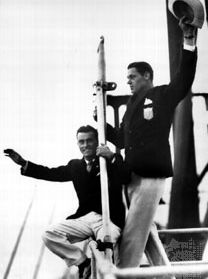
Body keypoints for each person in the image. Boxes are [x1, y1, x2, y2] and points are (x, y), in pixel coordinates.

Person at [105, 18, 198, 268]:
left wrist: (188, 42)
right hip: (132, 177)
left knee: (133, 236)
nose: (128, 81)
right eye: (127, 78)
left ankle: (124, 274)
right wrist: (101, 124)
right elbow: (122, 140)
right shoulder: (131, 107)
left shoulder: (161, 96)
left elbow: (184, 80)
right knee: (147, 236)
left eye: (132, 76)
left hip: (150, 178)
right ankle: (168, 275)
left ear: (147, 76)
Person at [4, 125, 130, 278]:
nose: (85, 145)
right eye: (81, 142)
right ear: (77, 144)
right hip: (84, 218)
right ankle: (82, 262)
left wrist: (111, 156)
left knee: (104, 249)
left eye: (89, 140)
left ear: (97, 141)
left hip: (109, 218)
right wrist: (24, 163)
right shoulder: (75, 166)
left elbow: (126, 176)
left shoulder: (108, 161)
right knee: (49, 234)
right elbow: (50, 173)